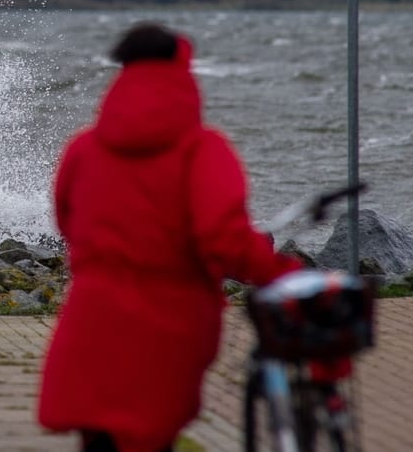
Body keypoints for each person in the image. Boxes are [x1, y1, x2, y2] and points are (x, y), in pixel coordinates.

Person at [36, 23, 301, 452]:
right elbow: (224, 239)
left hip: (93, 316)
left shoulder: (82, 149)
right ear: (183, 70)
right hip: (172, 324)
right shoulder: (203, 150)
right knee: (151, 437)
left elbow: (68, 223)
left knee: (100, 437)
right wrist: (279, 272)